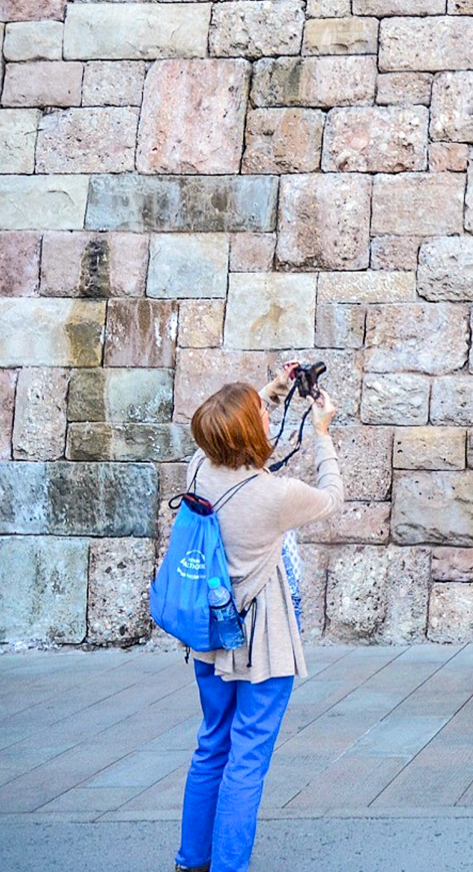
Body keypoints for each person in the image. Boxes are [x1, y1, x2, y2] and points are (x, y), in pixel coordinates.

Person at [175, 365, 343, 872]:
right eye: (262, 415)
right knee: (246, 758)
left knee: (212, 744)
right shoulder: (276, 496)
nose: (267, 417)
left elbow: (233, 432)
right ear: (251, 432)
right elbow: (333, 498)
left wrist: (272, 390)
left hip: (211, 634)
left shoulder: (199, 469)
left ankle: (191, 860)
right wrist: (322, 434)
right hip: (262, 642)